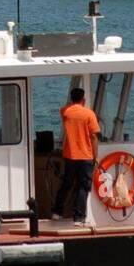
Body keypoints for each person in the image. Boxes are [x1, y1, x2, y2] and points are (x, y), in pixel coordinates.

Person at [52, 87, 101, 224]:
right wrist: (95, 156)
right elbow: (94, 137)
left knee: (66, 184)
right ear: (83, 99)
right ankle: (79, 217)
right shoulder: (89, 114)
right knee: (83, 187)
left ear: (71, 98)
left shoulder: (65, 112)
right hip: (86, 156)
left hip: (70, 155)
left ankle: (57, 211)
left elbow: (65, 108)